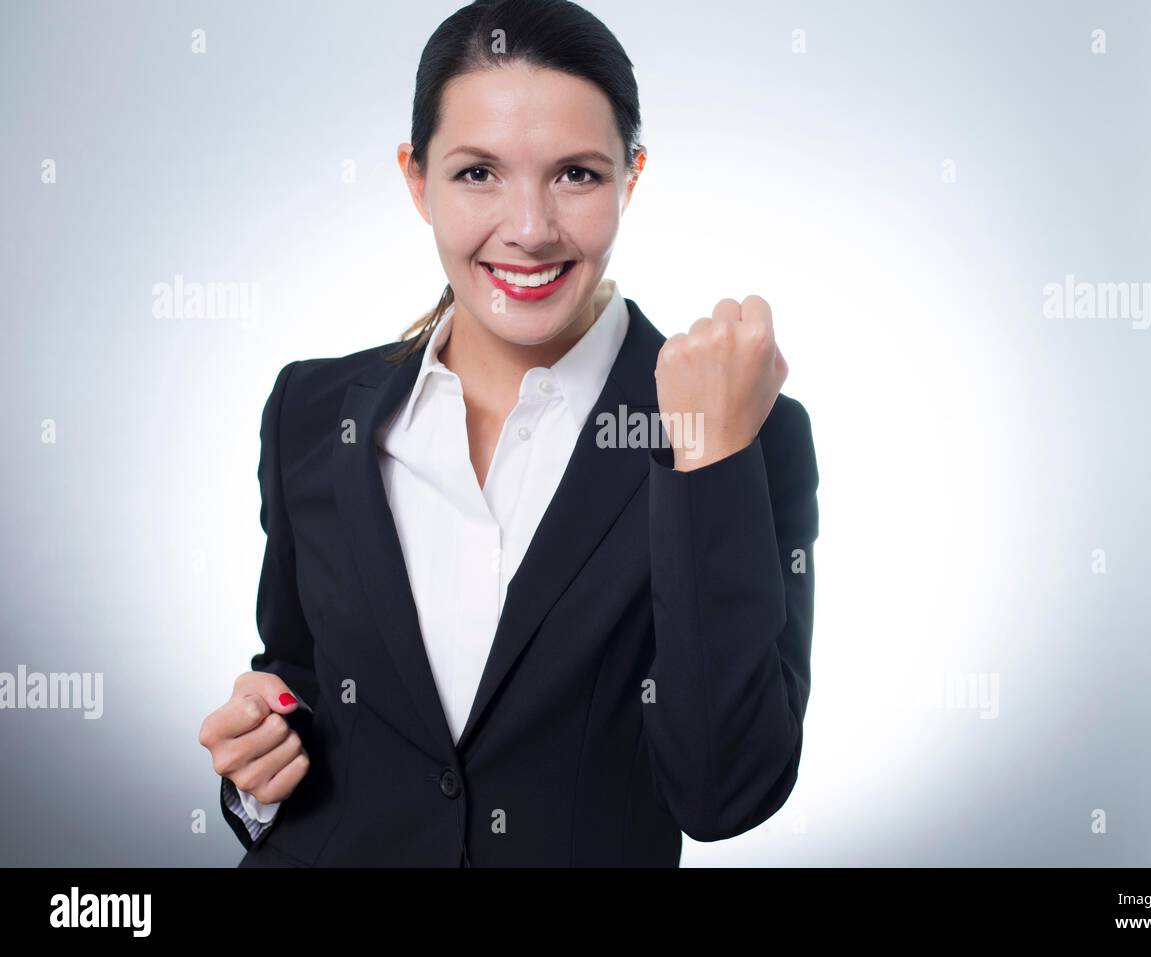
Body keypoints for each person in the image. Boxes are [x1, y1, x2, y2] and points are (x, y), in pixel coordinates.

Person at [197, 0, 819, 867]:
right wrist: (256, 767)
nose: (528, 228)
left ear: (631, 177)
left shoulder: (739, 432)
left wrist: (707, 455)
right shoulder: (312, 409)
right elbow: (298, 682)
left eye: (576, 174)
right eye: (478, 173)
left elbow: (723, 791)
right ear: (417, 180)